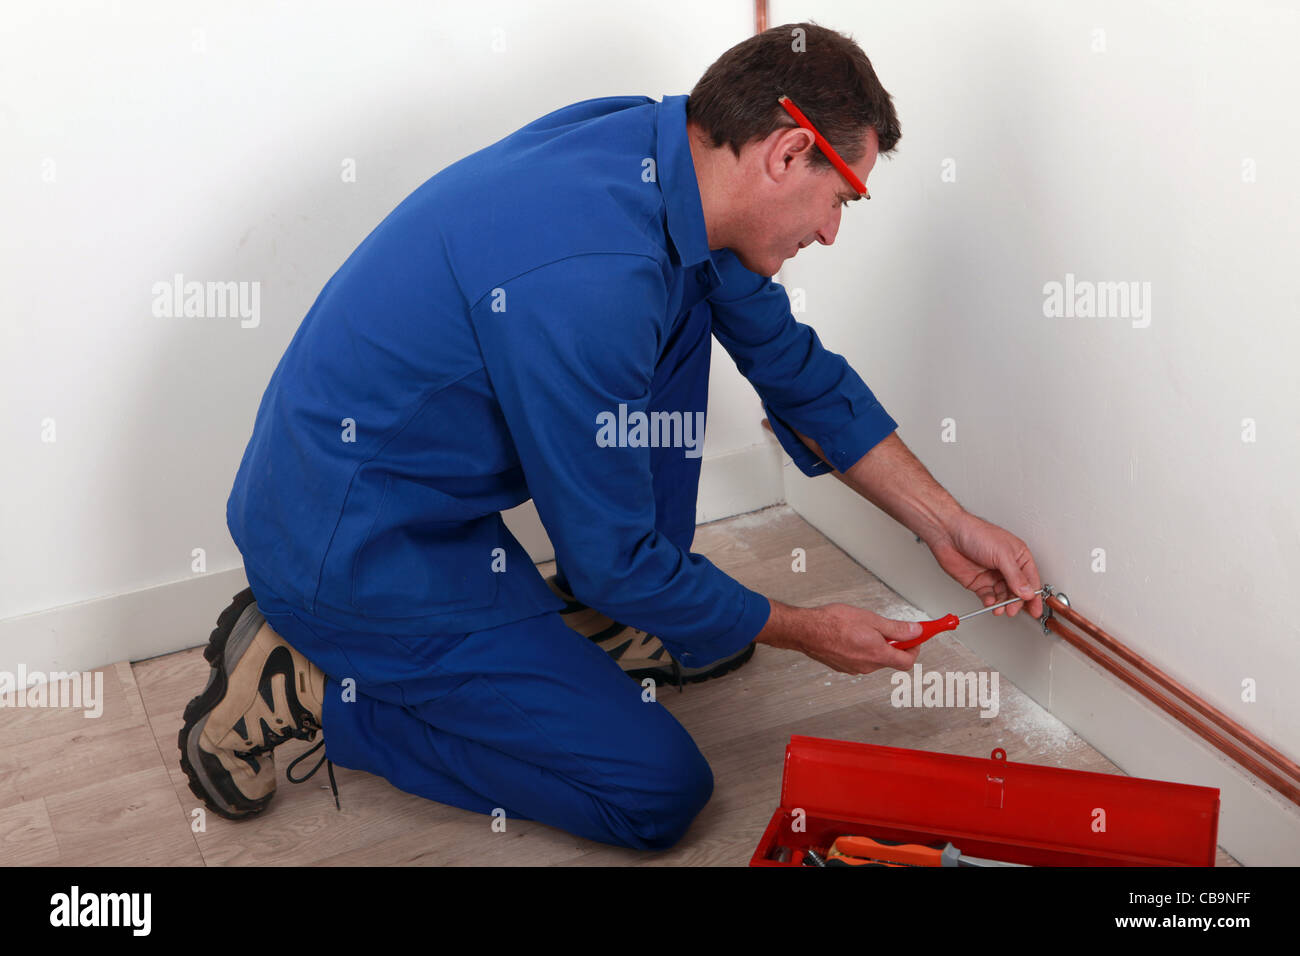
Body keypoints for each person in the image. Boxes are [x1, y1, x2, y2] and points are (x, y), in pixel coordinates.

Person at [178, 22, 1043, 852]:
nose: (831, 229)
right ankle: (316, 687)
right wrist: (801, 627)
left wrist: (947, 523)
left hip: (387, 493)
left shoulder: (659, 155)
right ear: (786, 153)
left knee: (691, 305)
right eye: (842, 196)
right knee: (656, 793)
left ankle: (618, 623)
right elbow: (610, 554)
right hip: (354, 550)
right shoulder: (589, 280)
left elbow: (797, 372)